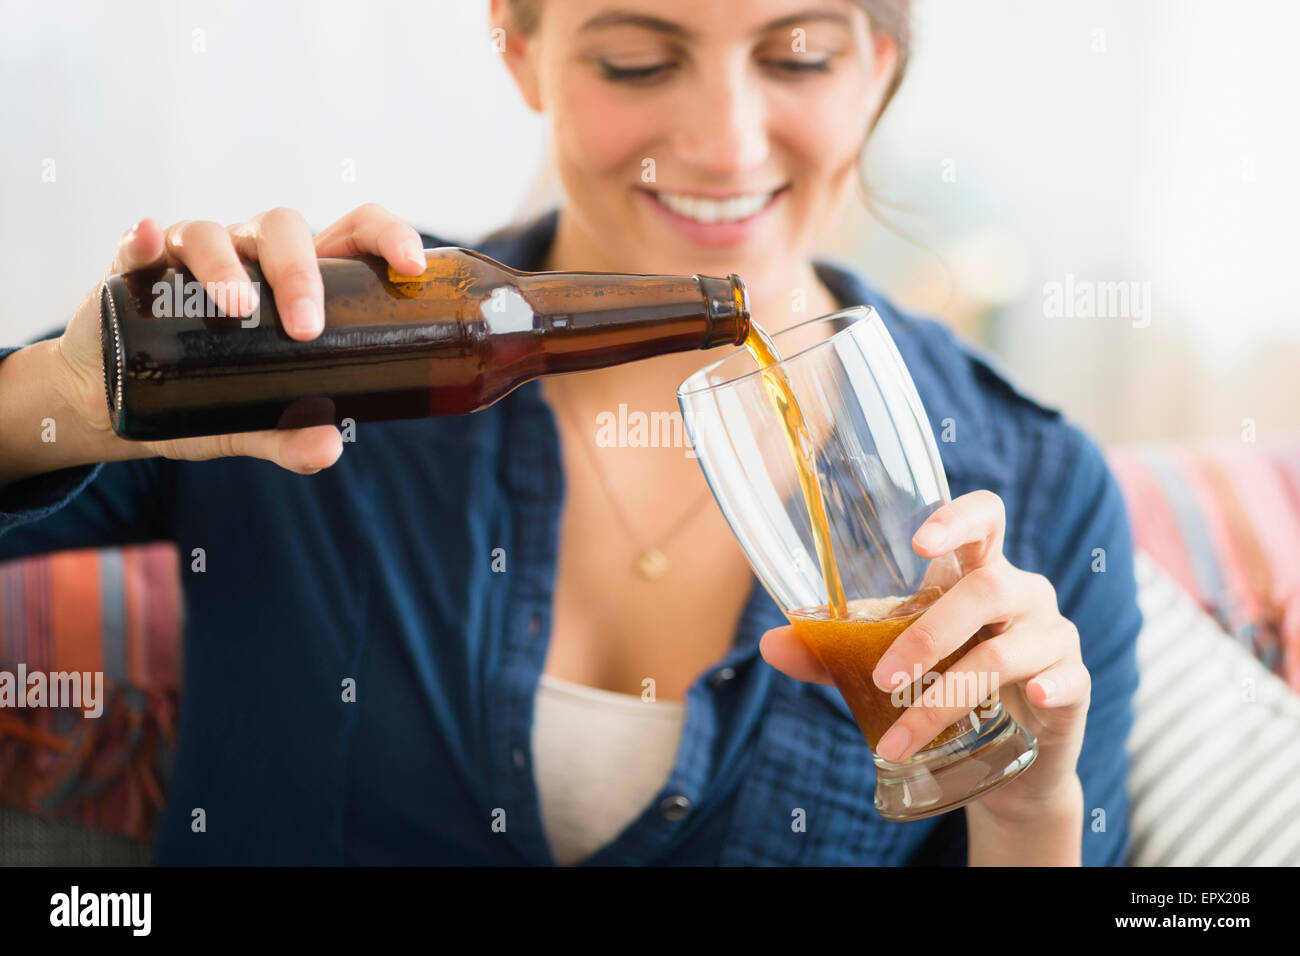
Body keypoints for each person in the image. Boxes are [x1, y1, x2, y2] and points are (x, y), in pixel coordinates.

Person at [0, 0, 1140, 865]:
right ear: (516, 43)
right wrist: (69, 389)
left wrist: (1027, 807)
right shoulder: (328, 345)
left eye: (797, 55)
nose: (727, 142)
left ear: (875, 69)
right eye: (636, 60)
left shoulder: (1033, 485)